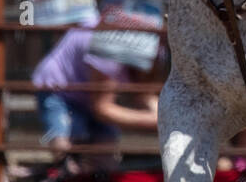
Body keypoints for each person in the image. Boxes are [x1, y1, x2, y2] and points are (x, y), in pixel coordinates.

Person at [32, 25, 164, 169]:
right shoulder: (109, 49)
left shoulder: (152, 53)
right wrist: (156, 120)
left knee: (106, 153)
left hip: (90, 95)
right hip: (59, 88)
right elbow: (102, 109)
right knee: (65, 147)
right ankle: (64, 181)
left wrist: (164, 116)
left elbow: (143, 95)